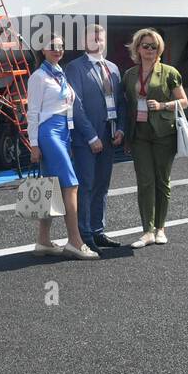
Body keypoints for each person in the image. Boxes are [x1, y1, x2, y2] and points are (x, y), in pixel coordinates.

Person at [26, 35, 96, 260]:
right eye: (53, 47)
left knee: (51, 186)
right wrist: (34, 144)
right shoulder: (39, 77)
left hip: (63, 131)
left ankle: (43, 241)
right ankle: (75, 241)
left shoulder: (59, 73)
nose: (58, 50)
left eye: (61, 47)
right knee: (71, 185)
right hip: (49, 132)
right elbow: (33, 112)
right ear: (43, 50)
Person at [121, 28, 188, 249]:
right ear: (137, 48)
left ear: (159, 49)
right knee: (145, 181)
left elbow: (184, 102)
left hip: (164, 133)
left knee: (162, 181)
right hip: (139, 134)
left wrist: (162, 105)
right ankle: (147, 231)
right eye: (145, 46)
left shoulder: (169, 72)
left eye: (154, 46)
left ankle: (161, 228)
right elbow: (126, 103)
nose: (149, 50)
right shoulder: (130, 74)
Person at [66, 23, 126, 250]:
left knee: (102, 186)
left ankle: (98, 231)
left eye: (100, 38)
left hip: (110, 136)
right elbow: (76, 105)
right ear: (84, 42)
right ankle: (84, 235)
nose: (97, 42)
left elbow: (120, 102)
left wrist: (121, 128)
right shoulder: (75, 68)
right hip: (86, 140)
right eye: (92, 38)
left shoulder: (113, 68)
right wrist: (91, 137)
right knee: (86, 185)